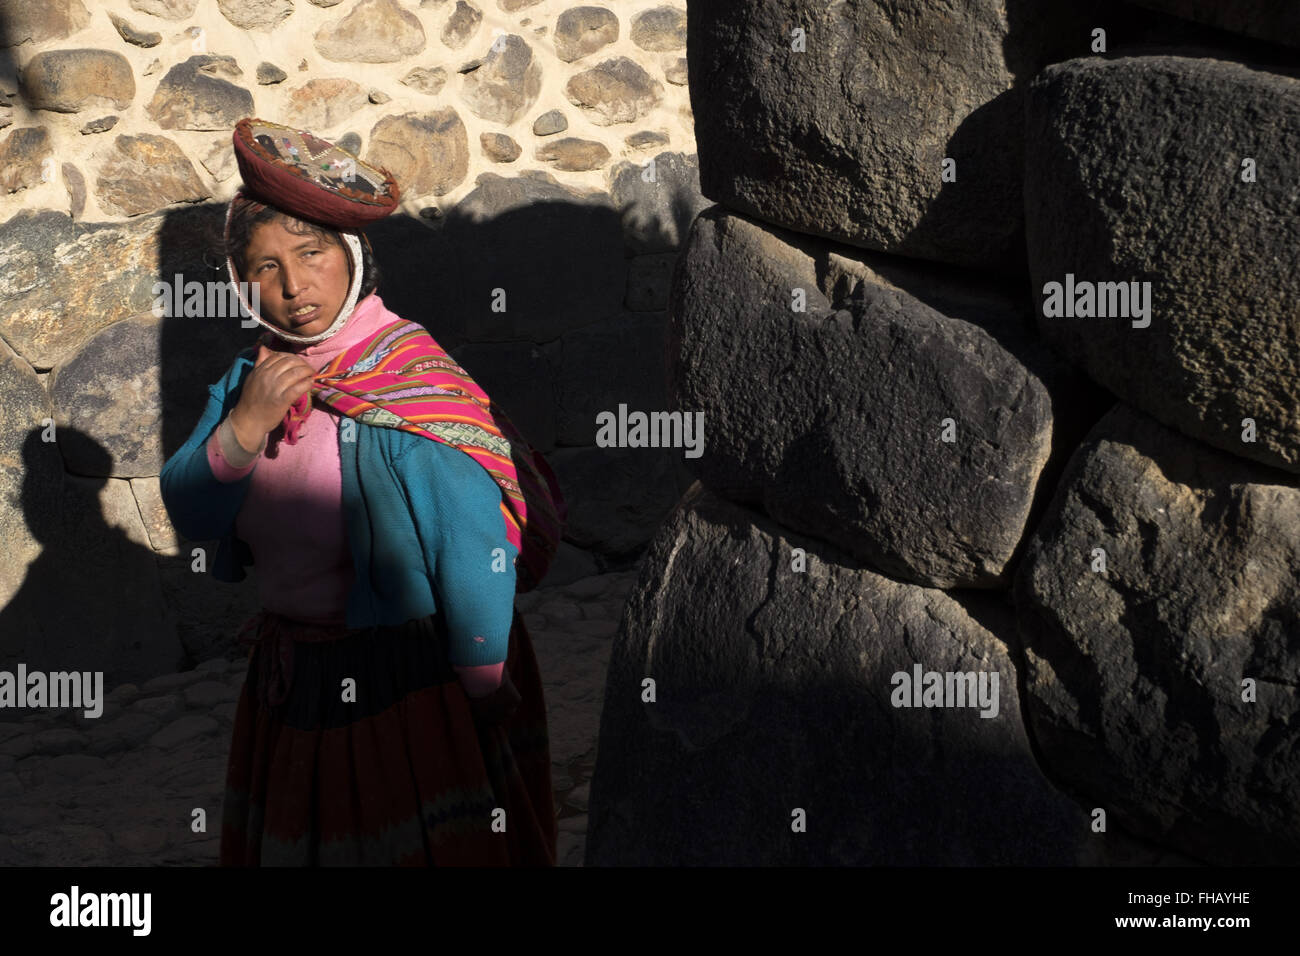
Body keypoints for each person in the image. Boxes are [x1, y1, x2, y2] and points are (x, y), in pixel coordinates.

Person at [159, 118, 565, 866]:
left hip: (411, 683)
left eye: (311, 254)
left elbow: (470, 545)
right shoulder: (251, 379)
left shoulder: (406, 383)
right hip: (295, 684)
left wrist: (482, 682)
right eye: (265, 266)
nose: (293, 287)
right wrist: (244, 427)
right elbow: (190, 505)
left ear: (351, 256)